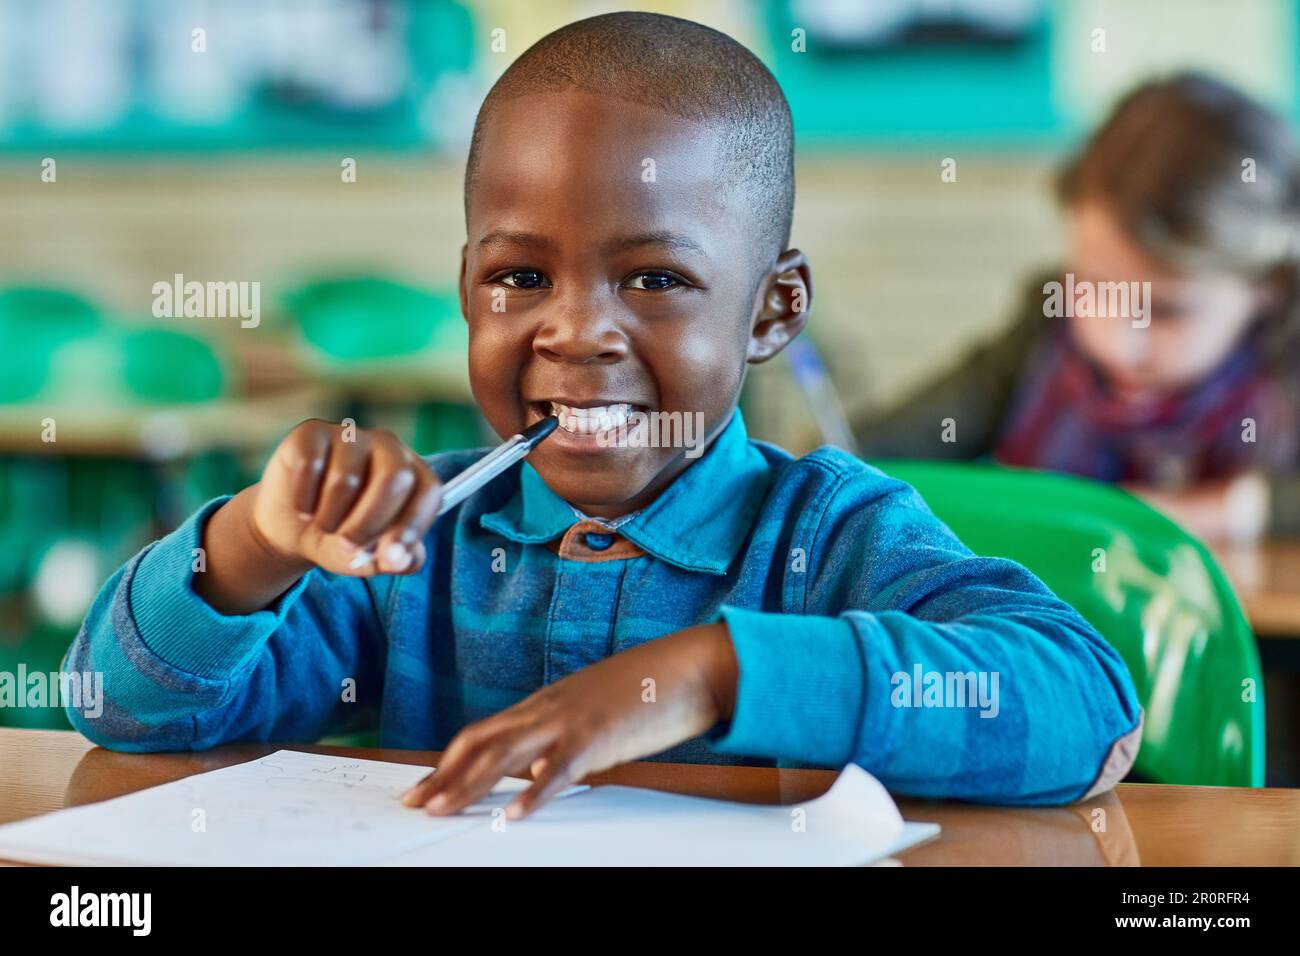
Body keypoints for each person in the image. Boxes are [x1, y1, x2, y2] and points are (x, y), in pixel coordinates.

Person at [63, 12, 1140, 816]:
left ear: (772, 309)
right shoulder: (411, 554)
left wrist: (708, 673)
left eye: (656, 279)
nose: (576, 334)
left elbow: (1085, 707)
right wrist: (252, 538)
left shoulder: (826, 536)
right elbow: (120, 708)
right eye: (520, 279)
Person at [854, 73, 1300, 544]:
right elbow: (870, 453)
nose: (1117, 344)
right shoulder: (1045, 330)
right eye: (1093, 286)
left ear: (1270, 285)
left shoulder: (1284, 363)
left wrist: (1216, 510)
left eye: (1166, 312)